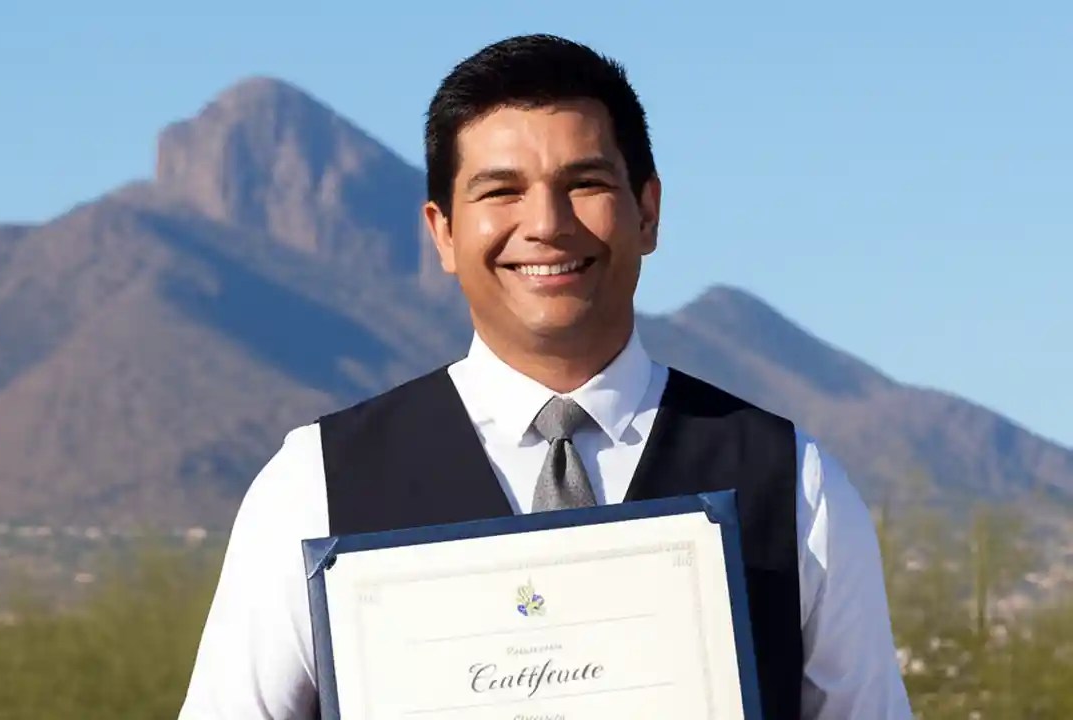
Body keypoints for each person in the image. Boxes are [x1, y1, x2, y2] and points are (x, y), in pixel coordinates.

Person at [177, 33, 912, 719]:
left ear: (647, 212)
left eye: (584, 182)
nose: (547, 224)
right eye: (501, 191)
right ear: (442, 231)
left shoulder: (796, 485)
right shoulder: (314, 486)